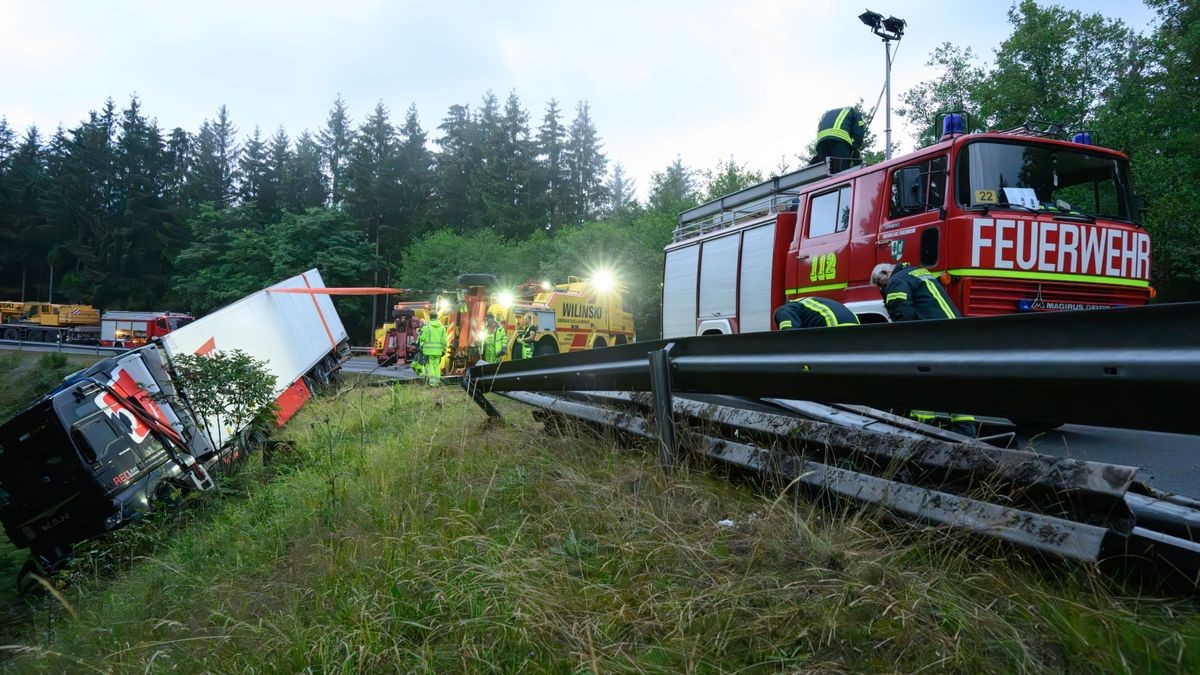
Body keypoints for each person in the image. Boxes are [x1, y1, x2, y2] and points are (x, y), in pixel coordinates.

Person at [871, 262, 976, 437]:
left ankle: (920, 434)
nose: (883, 288)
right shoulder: (918, 273)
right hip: (955, 334)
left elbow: (902, 315)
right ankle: (966, 435)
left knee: (923, 381)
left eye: (882, 284)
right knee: (955, 384)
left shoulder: (896, 281)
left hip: (933, 337)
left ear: (885, 273)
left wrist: (902, 345)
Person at [811, 107, 866, 171]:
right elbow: (859, 131)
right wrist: (856, 146)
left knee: (824, 171)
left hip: (821, 141)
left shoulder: (828, 113)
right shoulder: (854, 112)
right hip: (839, 139)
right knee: (842, 170)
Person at [774, 297, 860, 330]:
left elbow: (790, 336)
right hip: (855, 324)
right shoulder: (803, 304)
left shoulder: (783, 311)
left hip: (832, 324)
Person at [417, 311, 448, 386]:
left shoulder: (426, 327)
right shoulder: (442, 327)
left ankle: (432, 383)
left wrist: (419, 335)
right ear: (437, 317)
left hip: (428, 351)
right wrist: (444, 349)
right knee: (436, 366)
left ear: (430, 317)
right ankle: (437, 382)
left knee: (430, 366)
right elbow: (444, 340)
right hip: (438, 351)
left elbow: (423, 338)